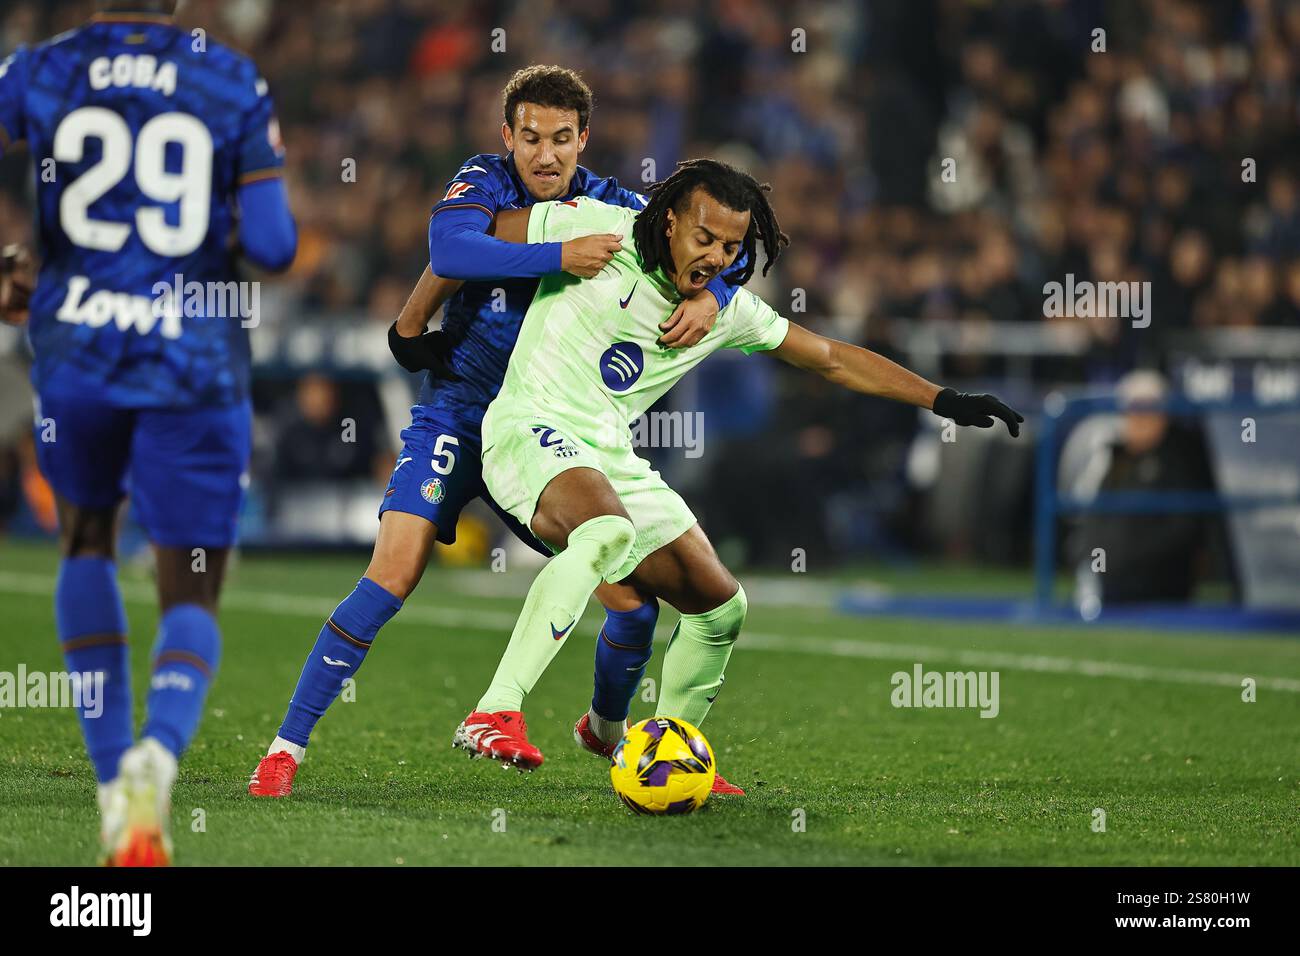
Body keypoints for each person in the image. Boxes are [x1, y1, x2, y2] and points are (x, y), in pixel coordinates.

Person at [249, 65, 738, 796]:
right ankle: (285, 750)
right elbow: (451, 252)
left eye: (562, 139)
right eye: (532, 137)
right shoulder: (483, 180)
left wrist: (716, 296)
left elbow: (696, 241)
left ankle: (611, 740)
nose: (546, 155)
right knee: (391, 574)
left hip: (548, 431)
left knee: (633, 609)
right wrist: (555, 258)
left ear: (584, 141)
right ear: (507, 137)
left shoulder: (613, 204)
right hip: (463, 411)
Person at [459, 159, 1022, 780]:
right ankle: (496, 711)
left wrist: (942, 399)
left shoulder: (725, 308)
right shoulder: (599, 227)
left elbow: (831, 358)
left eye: (732, 246)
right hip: (525, 428)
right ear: (668, 221)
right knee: (607, 534)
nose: (718, 257)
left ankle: (664, 757)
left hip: (607, 456)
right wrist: (552, 255)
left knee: (721, 605)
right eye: (705, 239)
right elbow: (466, 235)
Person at [0, 0, 297, 864]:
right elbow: (276, 247)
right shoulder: (228, 76)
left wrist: (25, 262)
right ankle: (155, 759)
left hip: (77, 353)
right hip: (192, 363)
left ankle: (106, 790)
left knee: (86, 539)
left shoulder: (41, 67)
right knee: (191, 588)